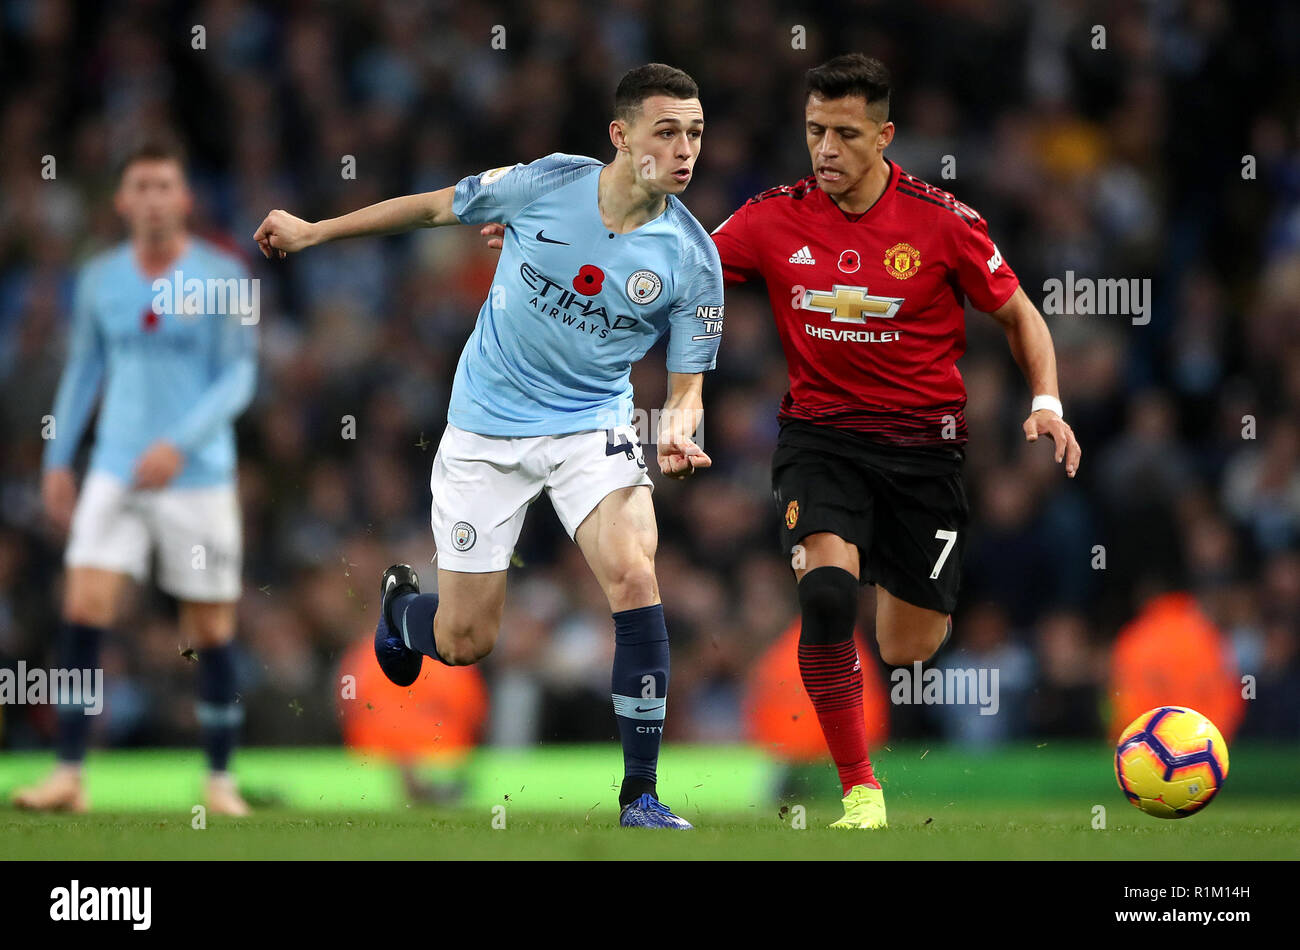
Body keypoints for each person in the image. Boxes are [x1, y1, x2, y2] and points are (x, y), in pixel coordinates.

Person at [252, 63, 724, 829]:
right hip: (485, 429)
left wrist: (675, 426)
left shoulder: (693, 259)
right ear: (621, 135)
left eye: (695, 133)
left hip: (591, 428)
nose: (683, 149)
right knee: (466, 641)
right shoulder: (545, 183)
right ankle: (403, 611)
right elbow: (436, 207)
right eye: (666, 130)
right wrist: (316, 231)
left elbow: (687, 387)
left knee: (636, 575)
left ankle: (640, 794)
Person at [15, 139, 258, 815]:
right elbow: (84, 369)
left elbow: (241, 375)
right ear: (122, 202)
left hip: (199, 474)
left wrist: (180, 444)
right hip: (116, 468)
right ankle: (68, 773)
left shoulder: (227, 275)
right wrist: (59, 457)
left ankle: (220, 779)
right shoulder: (99, 279)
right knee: (83, 608)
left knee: (209, 628)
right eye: (141, 187)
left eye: (164, 186)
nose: (153, 198)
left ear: (184, 199)